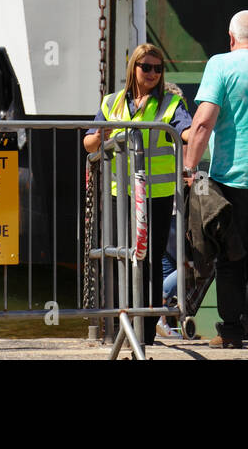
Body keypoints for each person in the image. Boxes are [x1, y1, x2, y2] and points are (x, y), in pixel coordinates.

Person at [182, 9, 248, 348]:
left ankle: (230, 332)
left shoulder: (221, 64)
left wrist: (190, 168)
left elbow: (202, 123)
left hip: (232, 175)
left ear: (231, 39)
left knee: (230, 253)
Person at [85, 42, 190, 348]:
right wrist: (108, 131)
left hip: (157, 195)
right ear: (134, 68)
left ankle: (144, 333)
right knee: (125, 258)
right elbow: (89, 143)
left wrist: (191, 134)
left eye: (158, 69)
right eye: (147, 67)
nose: (153, 74)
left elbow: (184, 129)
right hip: (124, 194)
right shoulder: (112, 103)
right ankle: (122, 325)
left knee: (151, 260)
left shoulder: (171, 103)